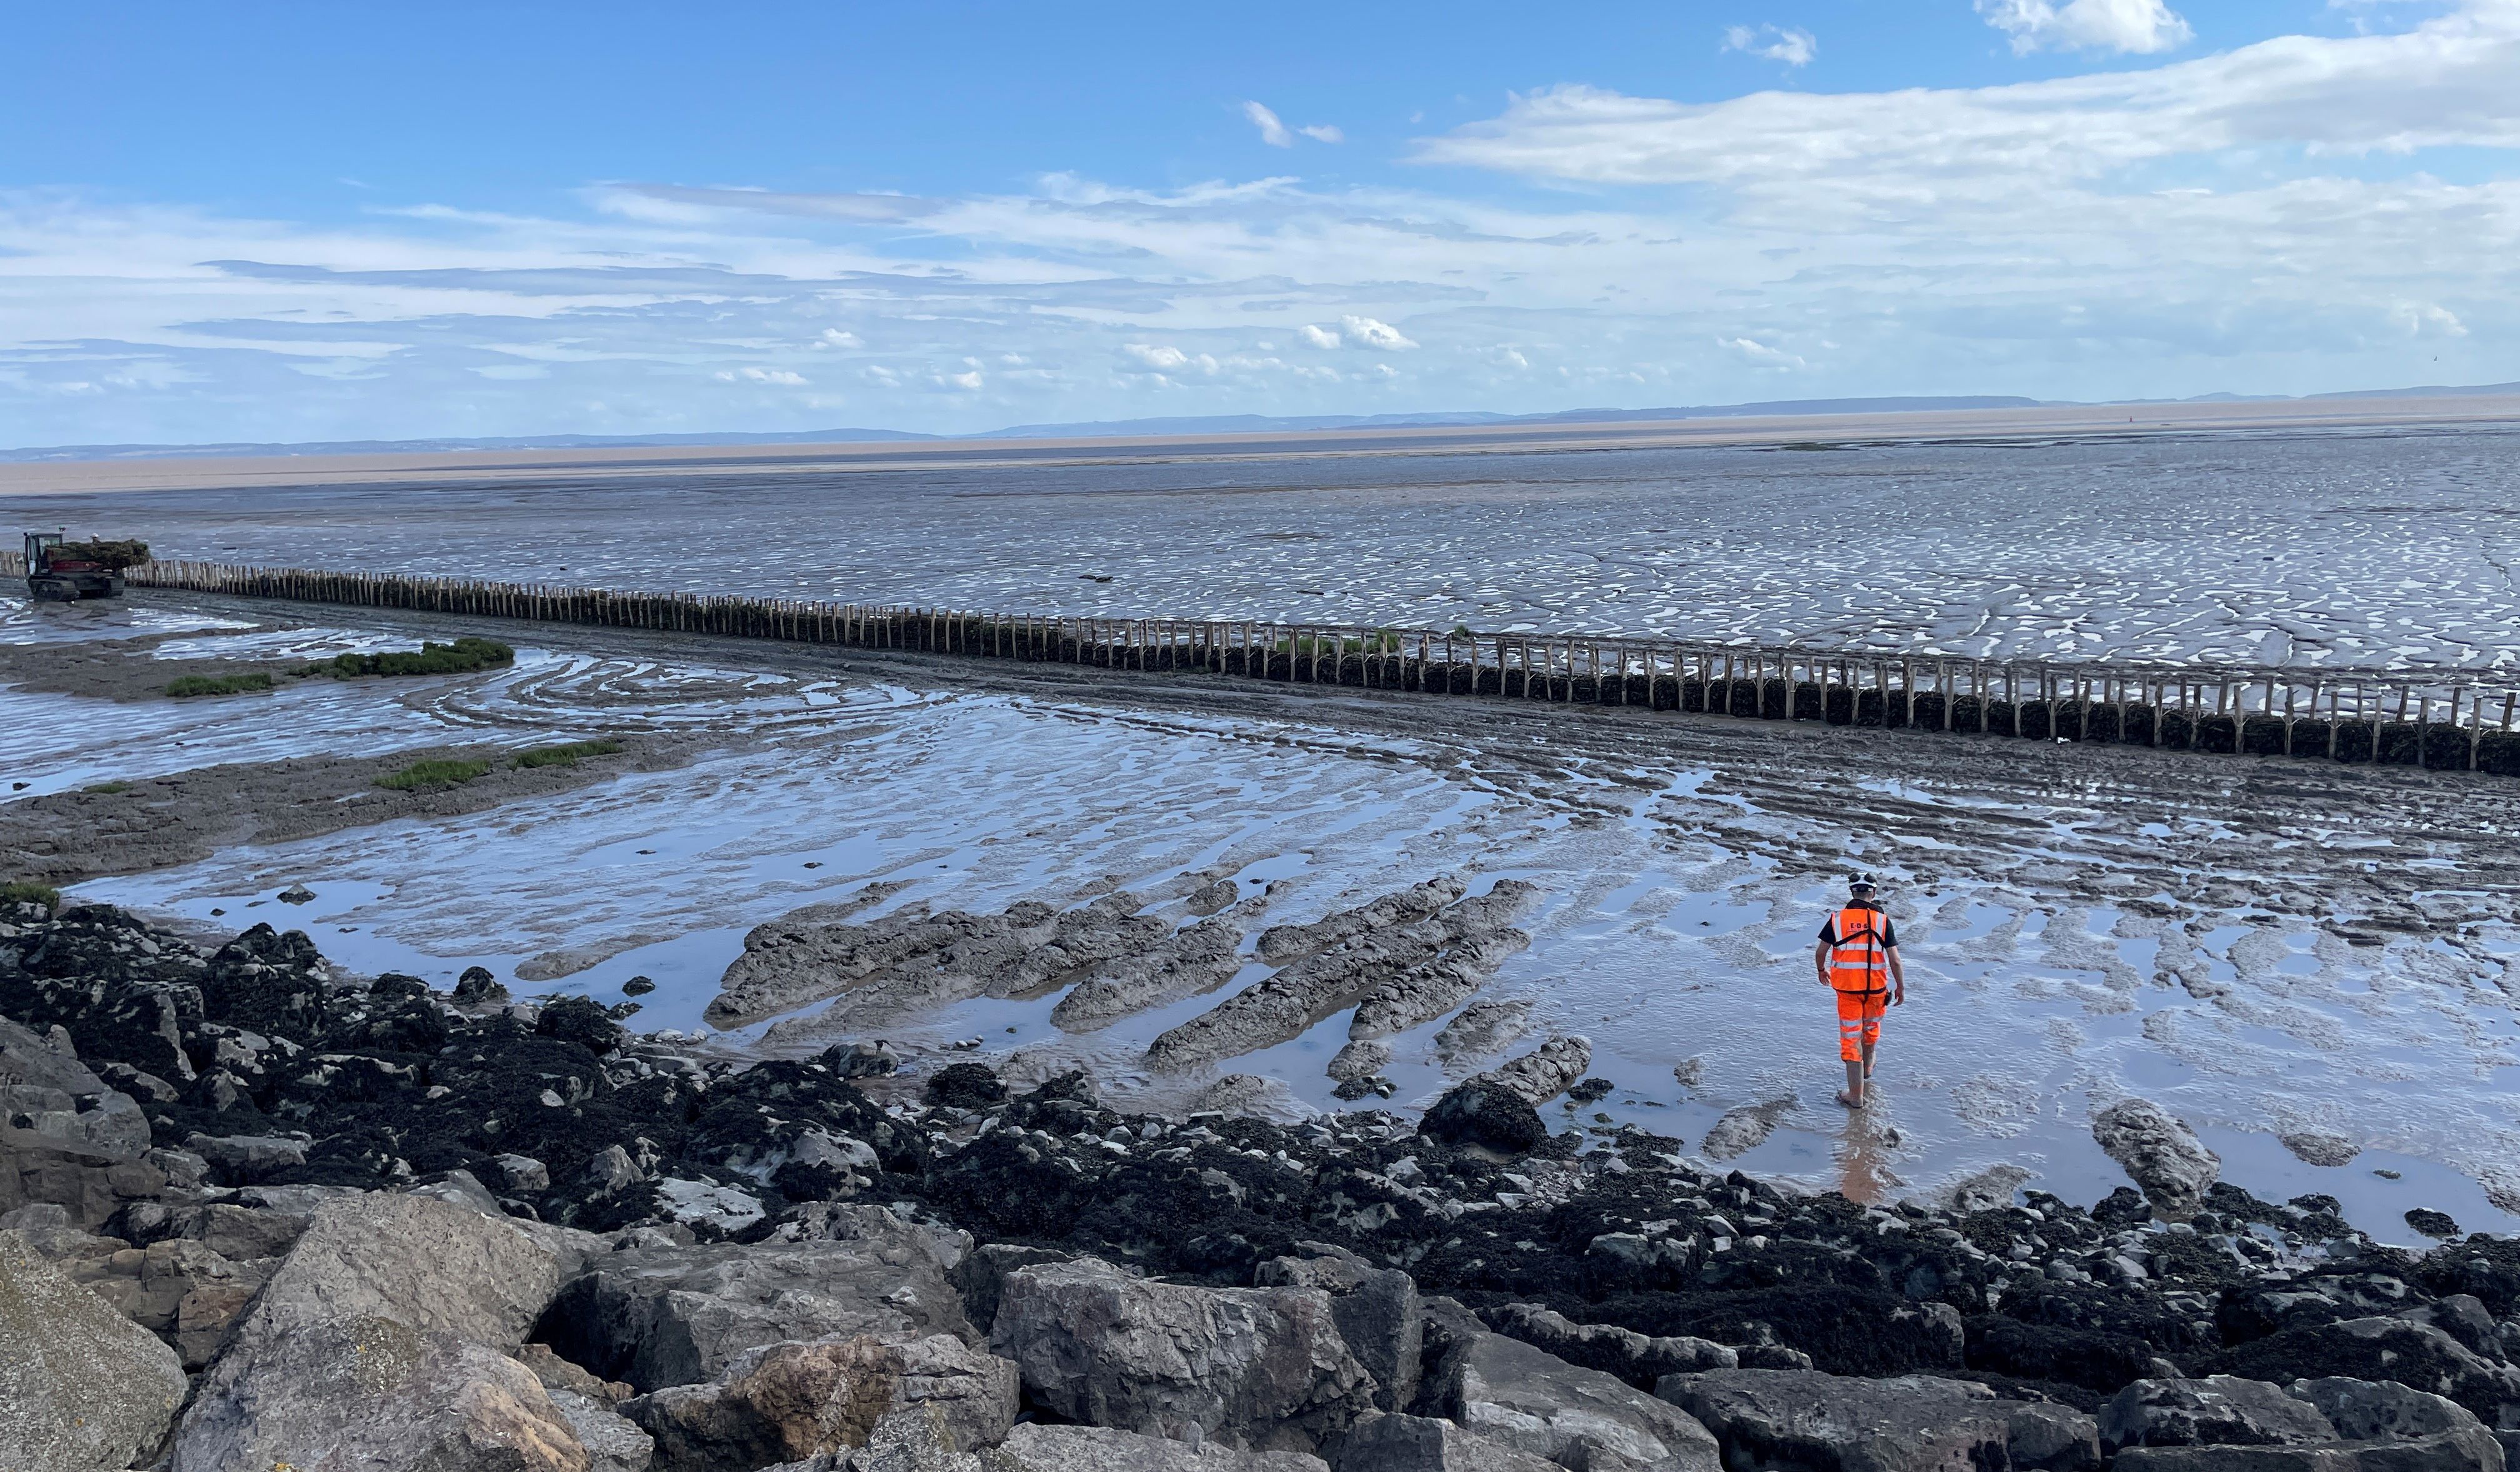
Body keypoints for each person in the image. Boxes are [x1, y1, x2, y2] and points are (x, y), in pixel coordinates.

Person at [1813, 873, 1904, 1108]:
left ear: (1852, 892)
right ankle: (1869, 1066)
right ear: (1873, 893)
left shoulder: (1837, 920)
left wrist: (1821, 970)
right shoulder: (1883, 921)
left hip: (1848, 991)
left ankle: (1856, 1097)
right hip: (1876, 989)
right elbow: (1895, 960)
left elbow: (1821, 952)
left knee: (1851, 1039)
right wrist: (1901, 986)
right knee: (1871, 1027)